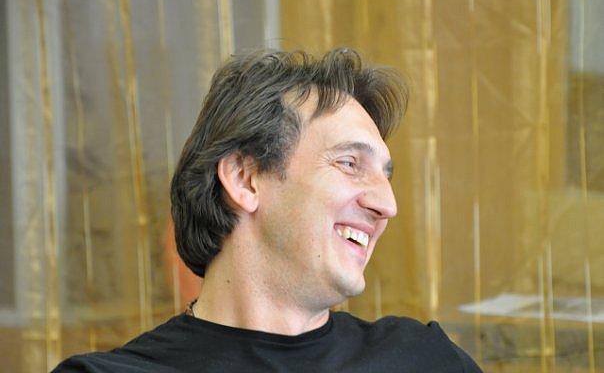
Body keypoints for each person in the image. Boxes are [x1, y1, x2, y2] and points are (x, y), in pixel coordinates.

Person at [53, 48, 482, 372]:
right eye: (350, 164)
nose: (387, 205)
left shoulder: (426, 358)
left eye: (386, 176)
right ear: (245, 179)